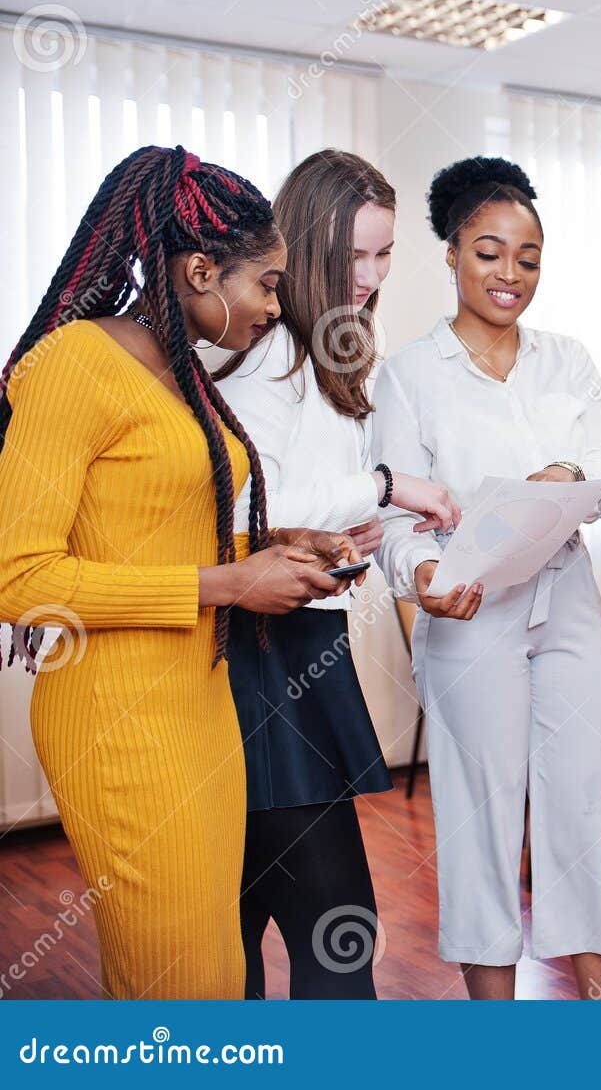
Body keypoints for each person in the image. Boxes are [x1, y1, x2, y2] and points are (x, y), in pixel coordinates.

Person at [0, 145, 357, 999]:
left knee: (200, 968)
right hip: (116, 714)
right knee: (185, 977)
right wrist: (232, 586)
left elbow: (154, 538)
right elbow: (21, 577)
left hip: (199, 701)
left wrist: (278, 548)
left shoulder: (176, 366)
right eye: (266, 284)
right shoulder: (71, 364)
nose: (278, 305)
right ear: (200, 268)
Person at [371, 156, 601, 999]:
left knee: (585, 808)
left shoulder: (567, 361)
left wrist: (567, 472)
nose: (510, 274)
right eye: (490, 252)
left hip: (564, 600)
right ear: (451, 253)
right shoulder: (408, 374)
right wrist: (423, 573)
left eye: (528, 257)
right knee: (481, 816)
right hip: (470, 609)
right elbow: (387, 514)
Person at [213, 150, 462, 999]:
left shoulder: (324, 350)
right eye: (355, 254)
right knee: (335, 936)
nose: (371, 275)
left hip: (298, 648)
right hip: (262, 663)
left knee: (248, 928)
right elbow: (259, 492)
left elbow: (301, 505)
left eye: (385, 254)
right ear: (305, 244)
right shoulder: (271, 349)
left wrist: (351, 532)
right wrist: (389, 486)